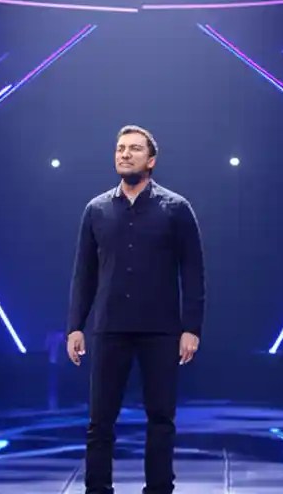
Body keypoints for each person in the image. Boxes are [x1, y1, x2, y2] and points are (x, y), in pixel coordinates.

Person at [67, 125, 206, 494]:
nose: (125, 154)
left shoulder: (176, 209)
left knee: (161, 418)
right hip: (110, 327)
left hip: (160, 329)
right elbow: (84, 273)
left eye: (134, 149)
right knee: (100, 421)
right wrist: (75, 326)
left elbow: (193, 271)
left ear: (151, 160)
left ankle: (159, 490)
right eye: (120, 148)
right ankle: (98, 490)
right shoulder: (96, 209)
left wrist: (191, 327)